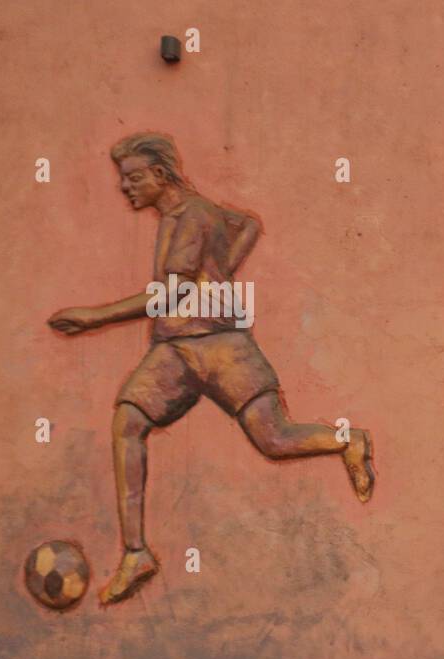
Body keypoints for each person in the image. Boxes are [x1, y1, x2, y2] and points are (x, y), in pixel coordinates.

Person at [47, 132, 375, 605]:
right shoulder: (188, 213)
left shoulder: (192, 217)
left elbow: (174, 294)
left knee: (274, 439)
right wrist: (220, 271)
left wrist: (93, 317)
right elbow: (247, 225)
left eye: (134, 177)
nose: (125, 188)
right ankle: (136, 553)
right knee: (128, 423)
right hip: (176, 350)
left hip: (221, 346)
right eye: (123, 179)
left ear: (160, 176)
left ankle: (349, 439)